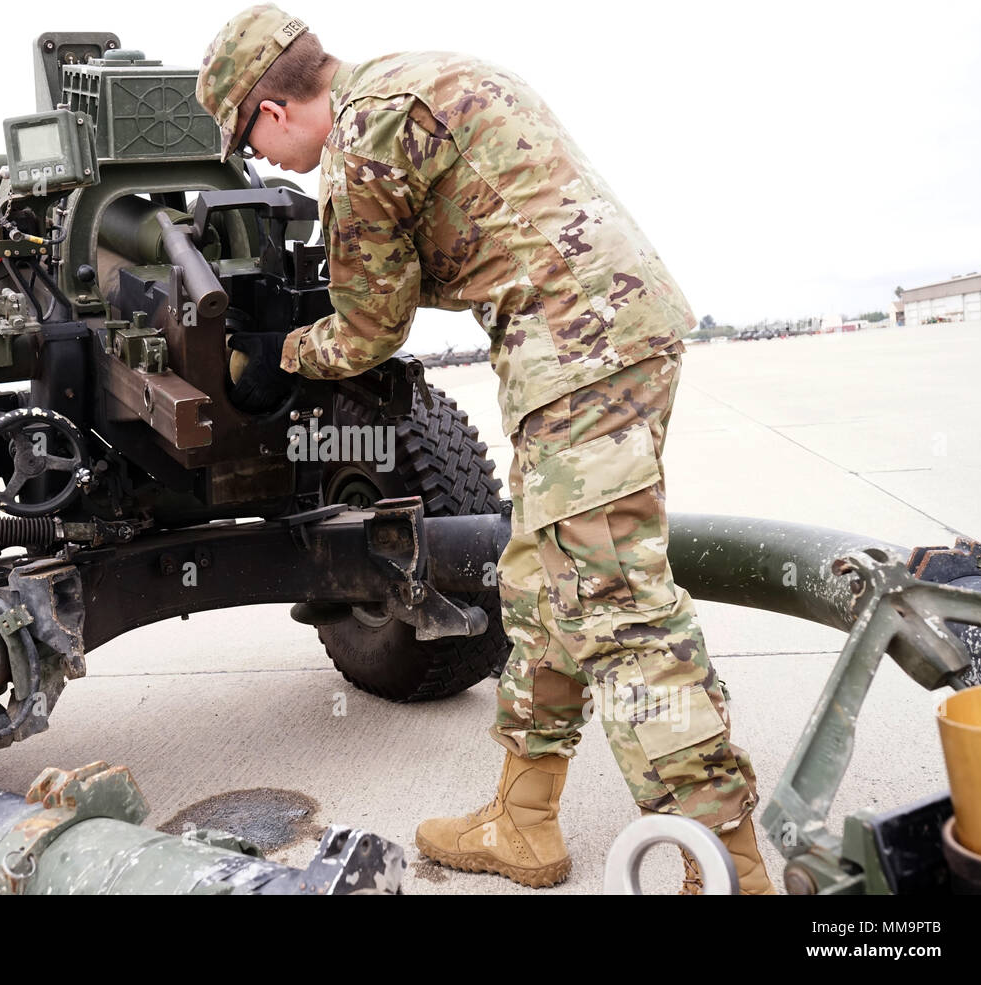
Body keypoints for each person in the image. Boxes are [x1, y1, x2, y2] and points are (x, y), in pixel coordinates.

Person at [196, 4, 776, 893]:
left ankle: (725, 857)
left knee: (615, 608)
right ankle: (523, 819)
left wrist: (272, 351)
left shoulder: (361, 142)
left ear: (271, 110)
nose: (261, 160)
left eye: (248, 139)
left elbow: (367, 331)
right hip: (609, 334)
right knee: (542, 585)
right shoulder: (425, 71)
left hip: (579, 353)